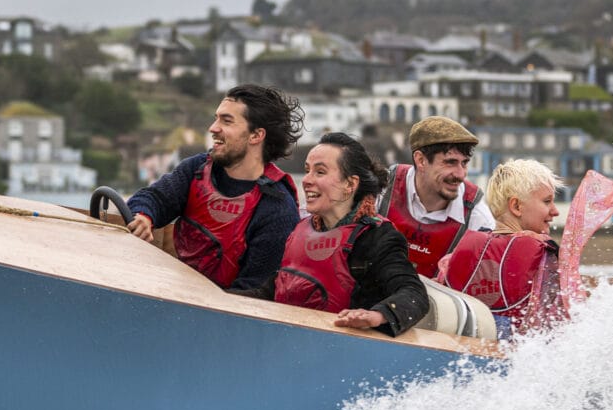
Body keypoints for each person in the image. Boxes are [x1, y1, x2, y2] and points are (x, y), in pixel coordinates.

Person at [241, 133, 429, 336]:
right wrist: (226, 298)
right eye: (307, 171)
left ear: (350, 184)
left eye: (320, 172)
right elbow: (273, 290)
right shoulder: (300, 229)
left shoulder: (378, 238)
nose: (306, 180)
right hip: (291, 339)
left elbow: (414, 294)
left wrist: (376, 316)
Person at [127, 85, 302, 292]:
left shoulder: (277, 208)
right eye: (216, 118)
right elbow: (154, 198)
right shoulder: (196, 168)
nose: (213, 128)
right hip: (175, 291)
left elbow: (253, 294)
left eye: (226, 121)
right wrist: (144, 216)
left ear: (256, 136)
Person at [439, 159, 566, 340]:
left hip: (471, 347)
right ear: (516, 206)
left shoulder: (455, 256)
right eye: (547, 202)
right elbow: (562, 319)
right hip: (519, 352)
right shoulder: (544, 256)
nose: (555, 211)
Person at [375, 116, 495, 278]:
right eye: (450, 162)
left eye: (464, 163)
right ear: (421, 160)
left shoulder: (477, 216)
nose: (460, 174)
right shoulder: (381, 190)